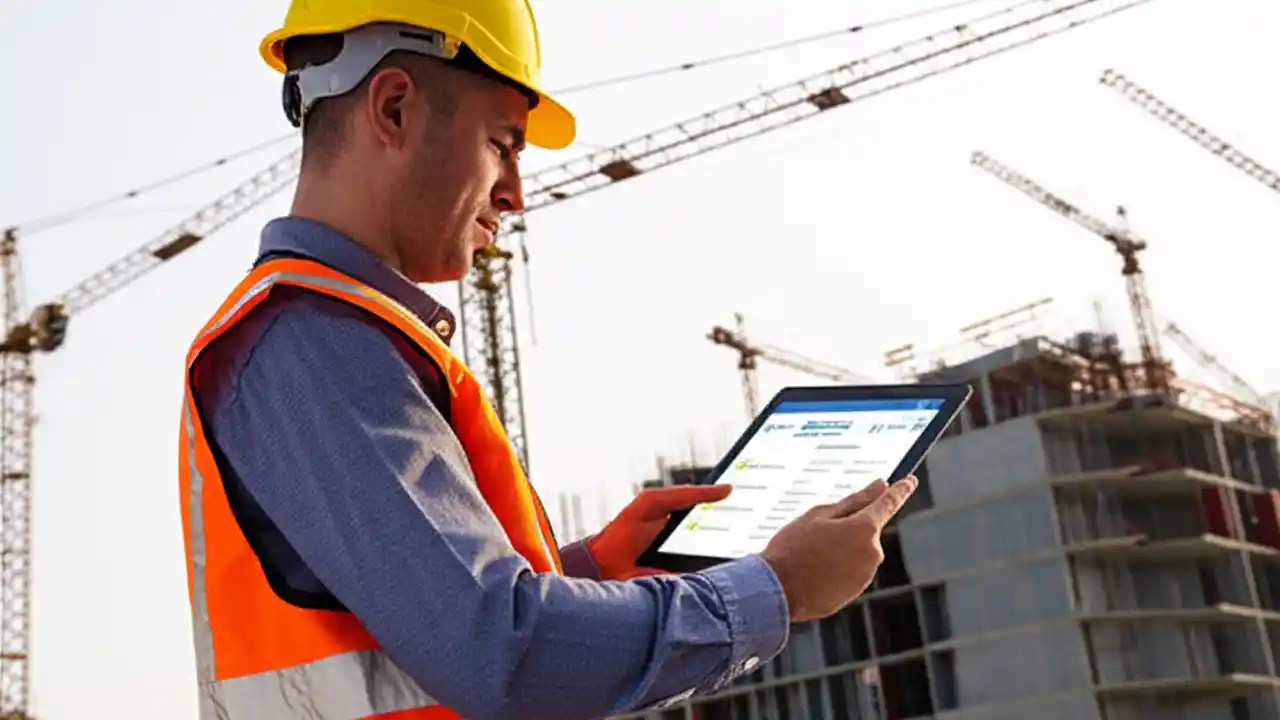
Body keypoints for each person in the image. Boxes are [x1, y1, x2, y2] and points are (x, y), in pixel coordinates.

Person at [175, 2, 920, 719]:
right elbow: (506, 655)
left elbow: (416, 635)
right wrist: (779, 586)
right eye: (503, 143)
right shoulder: (311, 345)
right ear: (394, 109)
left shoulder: (330, 339)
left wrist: (590, 566)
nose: (517, 193)